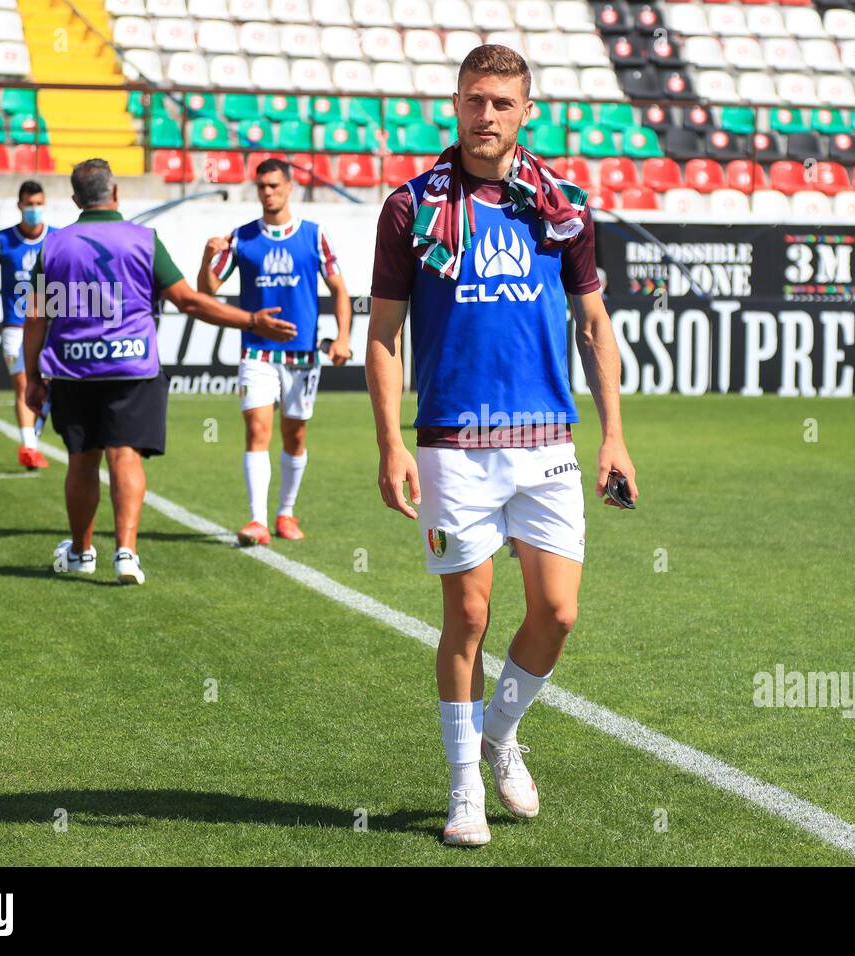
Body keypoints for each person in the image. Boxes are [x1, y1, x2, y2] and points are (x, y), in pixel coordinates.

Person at [365, 45, 639, 846]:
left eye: (501, 103)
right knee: (470, 614)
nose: (485, 115)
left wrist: (614, 435)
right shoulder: (410, 207)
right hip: (454, 444)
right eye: (473, 100)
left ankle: (500, 735)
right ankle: (463, 792)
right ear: (455, 102)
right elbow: (382, 336)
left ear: (527, 113)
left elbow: (593, 326)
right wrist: (391, 445)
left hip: (547, 441)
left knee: (557, 612)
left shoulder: (561, 207)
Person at [22, 159, 293, 584]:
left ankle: (79, 551)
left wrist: (34, 377)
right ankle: (126, 554)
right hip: (132, 365)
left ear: (76, 200)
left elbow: (36, 316)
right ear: (115, 194)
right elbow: (189, 301)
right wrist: (252, 321)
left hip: (73, 369)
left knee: (82, 459)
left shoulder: (52, 246)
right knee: (124, 454)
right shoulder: (143, 240)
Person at [197, 158, 352, 546]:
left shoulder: (315, 236)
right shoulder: (241, 237)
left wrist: (343, 337)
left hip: (301, 355)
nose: (268, 192)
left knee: (294, 435)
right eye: (262, 186)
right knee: (257, 429)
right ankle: (257, 521)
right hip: (257, 352)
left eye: (274, 186)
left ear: (289, 187)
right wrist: (206, 256)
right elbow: (207, 293)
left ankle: (286, 512)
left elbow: (340, 291)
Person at [0, 180, 50, 470]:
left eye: (39, 204)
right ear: (19, 206)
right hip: (15, 327)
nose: (34, 210)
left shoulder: (57, 238)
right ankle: (29, 447)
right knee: (23, 383)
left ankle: (34, 435)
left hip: (50, 324)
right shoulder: (3, 240)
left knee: (50, 387)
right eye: (30, 204)